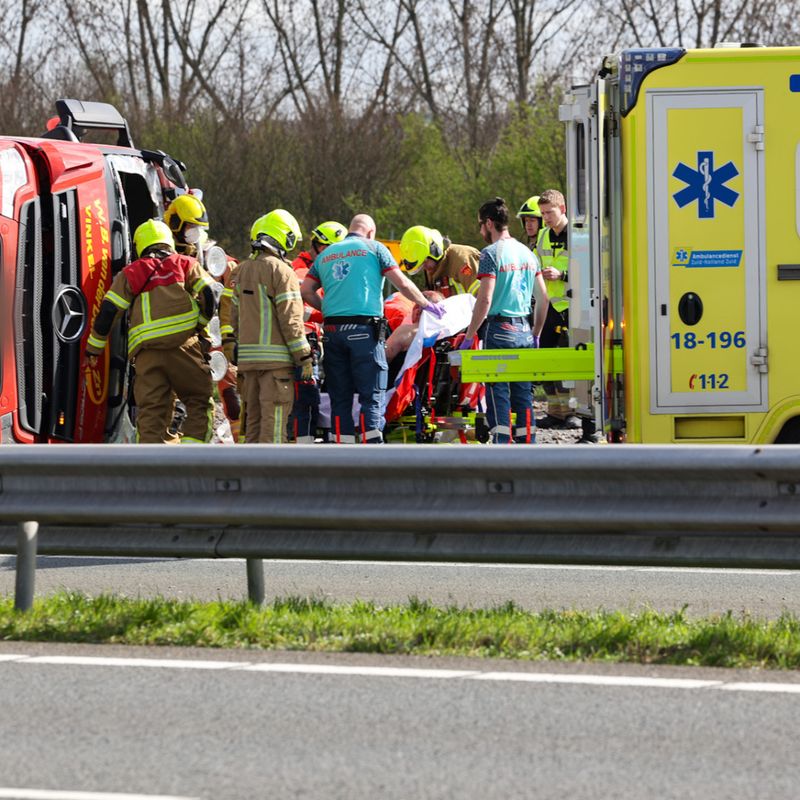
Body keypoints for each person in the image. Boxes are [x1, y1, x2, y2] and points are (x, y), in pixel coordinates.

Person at [300, 213, 446, 443]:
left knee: (340, 397)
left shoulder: (326, 255)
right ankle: (372, 451)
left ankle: (341, 449)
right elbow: (403, 283)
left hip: (332, 333)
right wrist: (426, 304)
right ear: (371, 232)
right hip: (364, 331)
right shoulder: (375, 249)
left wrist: (327, 310)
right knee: (372, 395)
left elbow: (306, 290)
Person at [85, 219, 216, 443]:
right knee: (198, 401)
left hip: (147, 356)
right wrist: (200, 324)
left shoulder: (131, 273)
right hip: (184, 348)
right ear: (168, 241)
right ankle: (192, 457)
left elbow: (108, 312)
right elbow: (209, 296)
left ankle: (150, 470)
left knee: (151, 414)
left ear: (140, 246)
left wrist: (92, 350)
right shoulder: (185, 263)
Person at [460, 197, 548, 444]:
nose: (480, 230)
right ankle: (527, 445)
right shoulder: (528, 254)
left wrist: (469, 336)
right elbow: (544, 299)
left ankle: (501, 448)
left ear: (489, 223)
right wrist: (536, 333)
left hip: (498, 328)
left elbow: (485, 299)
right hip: (524, 329)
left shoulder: (490, 254)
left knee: (497, 389)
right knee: (523, 393)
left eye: (480, 224)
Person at [165, 193, 242, 440]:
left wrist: (228, 336)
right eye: (190, 227)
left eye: (198, 228)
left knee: (232, 402)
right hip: (179, 341)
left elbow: (230, 286)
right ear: (176, 224)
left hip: (212, 337)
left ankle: (244, 452)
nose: (194, 233)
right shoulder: (162, 257)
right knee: (174, 407)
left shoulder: (211, 256)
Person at [232, 209, 311, 443]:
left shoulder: (241, 270)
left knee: (253, 426)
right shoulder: (282, 271)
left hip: (248, 365)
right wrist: (304, 356)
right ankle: (271, 478)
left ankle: (249, 476)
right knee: (274, 428)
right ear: (283, 237)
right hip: (276, 368)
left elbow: (233, 318)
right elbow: (291, 320)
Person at [289, 220, 347, 442]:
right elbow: (303, 310)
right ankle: (303, 450)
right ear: (323, 248)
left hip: (311, 341)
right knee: (307, 398)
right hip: (303, 343)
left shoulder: (312, 268)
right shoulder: (303, 271)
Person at [535, 188, 581, 432]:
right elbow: (534, 262)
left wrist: (561, 275)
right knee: (547, 360)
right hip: (550, 305)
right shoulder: (543, 236)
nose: (546, 218)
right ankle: (555, 412)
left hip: (572, 305)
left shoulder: (577, 234)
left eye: (549, 213)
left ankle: (572, 412)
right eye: (543, 213)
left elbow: (588, 269)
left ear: (562, 209)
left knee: (569, 364)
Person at [399, 225, 480, 297]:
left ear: (434, 251)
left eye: (424, 262)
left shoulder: (463, 260)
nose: (424, 267)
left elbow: (482, 297)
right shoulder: (432, 266)